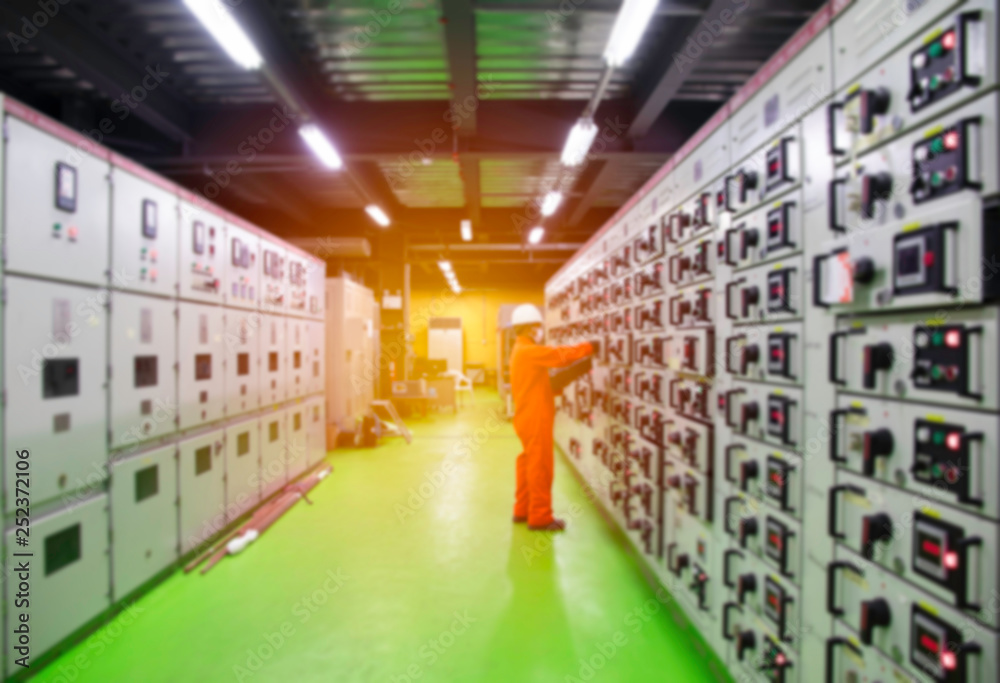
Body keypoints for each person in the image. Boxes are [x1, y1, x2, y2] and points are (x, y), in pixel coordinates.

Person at [508, 304, 596, 531]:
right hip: (535, 417)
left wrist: (576, 372)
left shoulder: (520, 350)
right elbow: (559, 355)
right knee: (540, 466)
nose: (540, 330)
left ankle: (522, 509)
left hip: (526, 415)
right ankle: (540, 517)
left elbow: (540, 383)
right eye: (537, 326)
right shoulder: (528, 351)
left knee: (527, 462)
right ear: (528, 328)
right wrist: (589, 347)